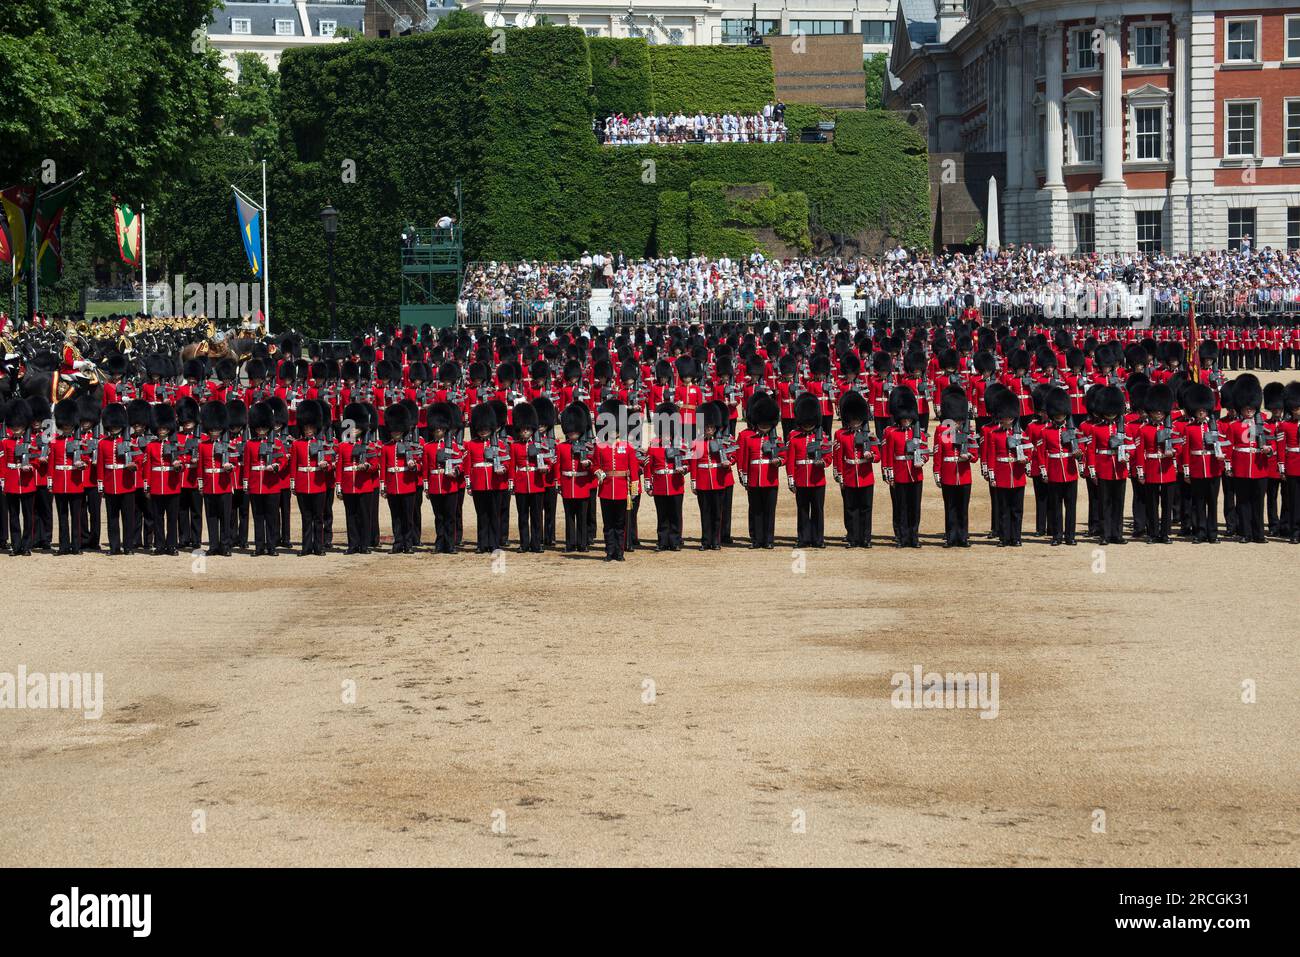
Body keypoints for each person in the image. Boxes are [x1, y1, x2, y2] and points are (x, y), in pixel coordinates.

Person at [1175, 382, 1224, 544]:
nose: (1201, 412)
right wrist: (1187, 471)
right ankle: (1200, 531)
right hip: (1196, 469)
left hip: (1213, 468)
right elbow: (1186, 451)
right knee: (1198, 502)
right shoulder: (1189, 428)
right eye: (1199, 410)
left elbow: (1224, 446)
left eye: (1203, 410)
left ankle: (1213, 533)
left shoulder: (1216, 427)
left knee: (1212, 502)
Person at [591, 399, 640, 561]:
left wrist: (634, 491)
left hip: (621, 490)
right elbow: (595, 465)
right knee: (608, 525)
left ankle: (619, 552)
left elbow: (633, 470)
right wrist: (599, 473)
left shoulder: (628, 447)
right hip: (605, 490)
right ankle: (609, 552)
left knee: (620, 525)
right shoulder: (600, 446)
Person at [1034, 386, 1083, 546]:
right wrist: (1044, 470)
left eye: (1062, 413)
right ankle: (1057, 535)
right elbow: (1041, 452)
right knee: (1055, 506)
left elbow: (1082, 449)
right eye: (1057, 413)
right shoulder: (1046, 432)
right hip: (1054, 471)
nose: (1060, 416)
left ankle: (1070, 536)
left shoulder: (1073, 431)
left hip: (1070, 471)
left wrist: (1079, 454)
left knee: (1070, 507)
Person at [980, 385, 1028, 547]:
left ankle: (1016, 537)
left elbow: (1030, 451)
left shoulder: (1021, 434)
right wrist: (992, 475)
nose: (1007, 420)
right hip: (1001, 475)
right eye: (1005, 417)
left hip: (1017, 474)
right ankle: (1004, 537)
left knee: (1017, 509)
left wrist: (1026, 459)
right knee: (1004, 509)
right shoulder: (994, 434)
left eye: (1010, 417)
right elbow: (991, 456)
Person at [881, 386, 927, 547]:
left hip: (915, 474)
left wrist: (923, 460)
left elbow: (925, 450)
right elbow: (887, 455)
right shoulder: (890, 432)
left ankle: (913, 537)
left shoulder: (918, 433)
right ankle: (901, 537)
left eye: (908, 418)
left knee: (914, 508)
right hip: (899, 474)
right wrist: (889, 475)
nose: (906, 420)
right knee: (900, 507)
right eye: (904, 417)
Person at [735, 392, 782, 549]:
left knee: (769, 511)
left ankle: (768, 540)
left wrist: (779, 461)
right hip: (754, 479)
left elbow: (784, 455)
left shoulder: (776, 439)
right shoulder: (747, 436)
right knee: (756, 510)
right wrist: (744, 476)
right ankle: (756, 539)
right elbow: (742, 459)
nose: (764, 426)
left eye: (767, 423)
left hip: (770, 479)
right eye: (761, 423)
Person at [784, 392, 832, 548]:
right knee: (803, 511)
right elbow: (790, 460)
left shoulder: (822, 437)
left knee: (818, 510)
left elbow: (828, 456)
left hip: (817, 479)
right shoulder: (794, 436)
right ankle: (803, 538)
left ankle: (818, 539)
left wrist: (823, 463)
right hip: (801, 479)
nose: (807, 425)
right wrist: (791, 479)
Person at [242, 402, 289, 557]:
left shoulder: (277, 443)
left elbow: (283, 461)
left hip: (272, 485)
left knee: (272, 518)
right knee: (258, 517)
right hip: (256, 485)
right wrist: (246, 483)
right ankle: (259, 546)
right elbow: (247, 465)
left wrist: (276, 467)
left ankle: (272, 546)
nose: (261, 431)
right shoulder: (250, 444)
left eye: (264, 428)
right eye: (259, 428)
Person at [932, 387, 976, 548]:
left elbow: (975, 454)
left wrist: (969, 456)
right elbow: (938, 452)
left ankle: (963, 537)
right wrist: (937, 472)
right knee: (950, 508)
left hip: (964, 475)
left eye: (960, 420)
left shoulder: (968, 432)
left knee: (963, 509)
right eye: (955, 419)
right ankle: (951, 537)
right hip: (948, 473)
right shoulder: (942, 431)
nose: (958, 422)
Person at [290, 399, 334, 556]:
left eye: (311, 427)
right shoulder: (297, 444)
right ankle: (306, 547)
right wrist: (293, 483)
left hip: (318, 483)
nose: (308, 430)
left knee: (318, 518)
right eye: (306, 427)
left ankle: (319, 547)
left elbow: (329, 464)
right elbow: (294, 465)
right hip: (302, 484)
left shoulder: (322, 444)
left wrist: (325, 466)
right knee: (306, 518)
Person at [832, 390, 876, 548]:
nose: (855, 422)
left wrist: (871, 456)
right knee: (850, 509)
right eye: (852, 419)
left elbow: (877, 455)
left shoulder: (869, 435)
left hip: (866, 476)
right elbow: (837, 457)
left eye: (857, 419)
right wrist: (840, 476)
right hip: (849, 476)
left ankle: (865, 538)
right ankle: (852, 537)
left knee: (866, 509)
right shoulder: (841, 435)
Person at [642, 401, 687, 552]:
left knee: (675, 515)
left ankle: (674, 541)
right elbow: (648, 466)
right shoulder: (654, 444)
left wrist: (683, 469)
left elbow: (687, 461)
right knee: (662, 515)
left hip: (675, 483)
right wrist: (648, 485)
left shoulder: (680, 443)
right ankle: (662, 541)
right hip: (660, 485)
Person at [689, 401, 734, 550]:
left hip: (717, 480)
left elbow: (733, 455)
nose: (709, 429)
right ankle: (705, 541)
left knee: (717, 513)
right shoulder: (696, 443)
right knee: (705, 513)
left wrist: (728, 462)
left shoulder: (722, 442)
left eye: (711, 427)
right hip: (702, 481)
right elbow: (693, 463)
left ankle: (716, 541)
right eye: (707, 427)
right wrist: (694, 482)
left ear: (715, 428)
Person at [47, 399, 90, 555]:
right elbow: (51, 465)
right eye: (64, 426)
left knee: (76, 517)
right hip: (59, 483)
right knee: (62, 516)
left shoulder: (80, 442)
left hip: (75, 482)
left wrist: (83, 464)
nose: (67, 428)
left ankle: (76, 546)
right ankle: (63, 546)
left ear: (73, 426)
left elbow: (87, 459)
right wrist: (50, 482)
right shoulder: (55, 443)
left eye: (69, 426)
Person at [421, 401, 464, 555]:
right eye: (435, 429)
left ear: (445, 429)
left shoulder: (454, 446)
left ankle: (450, 544)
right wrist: (426, 486)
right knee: (438, 517)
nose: (437, 431)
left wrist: (455, 472)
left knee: (450, 517)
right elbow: (426, 469)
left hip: (449, 484)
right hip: (434, 485)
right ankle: (440, 543)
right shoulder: (428, 447)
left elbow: (461, 464)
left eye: (440, 429)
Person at [197, 400, 239, 556]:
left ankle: (225, 546)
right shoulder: (202, 446)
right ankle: (214, 545)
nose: (214, 432)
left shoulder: (229, 445)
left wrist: (230, 467)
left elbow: (235, 462)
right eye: (212, 429)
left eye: (217, 429)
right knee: (211, 517)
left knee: (225, 518)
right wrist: (201, 484)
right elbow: (201, 467)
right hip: (209, 486)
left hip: (224, 485)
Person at [97, 402, 139, 555]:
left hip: (126, 484)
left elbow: (140, 459)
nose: (114, 428)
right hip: (110, 485)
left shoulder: (130, 442)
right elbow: (101, 466)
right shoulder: (103, 444)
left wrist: (134, 465)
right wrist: (101, 485)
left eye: (116, 425)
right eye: (111, 426)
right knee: (112, 518)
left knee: (128, 518)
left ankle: (128, 546)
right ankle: (114, 547)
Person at [555, 402, 594, 552]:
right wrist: (558, 482)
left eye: (575, 431)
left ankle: (582, 544)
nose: (572, 434)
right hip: (567, 485)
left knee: (582, 517)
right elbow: (558, 466)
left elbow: (594, 465)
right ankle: (570, 544)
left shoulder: (588, 447)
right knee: (569, 517)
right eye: (570, 432)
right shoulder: (561, 447)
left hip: (582, 484)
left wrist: (588, 464)